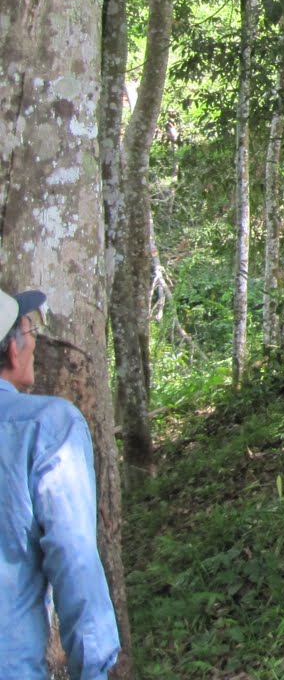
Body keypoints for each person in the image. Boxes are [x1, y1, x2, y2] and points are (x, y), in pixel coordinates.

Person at [0, 288, 121, 680]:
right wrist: (94, 669)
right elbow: (73, 557)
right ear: (13, 350)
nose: (34, 340)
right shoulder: (46, 426)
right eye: (30, 329)